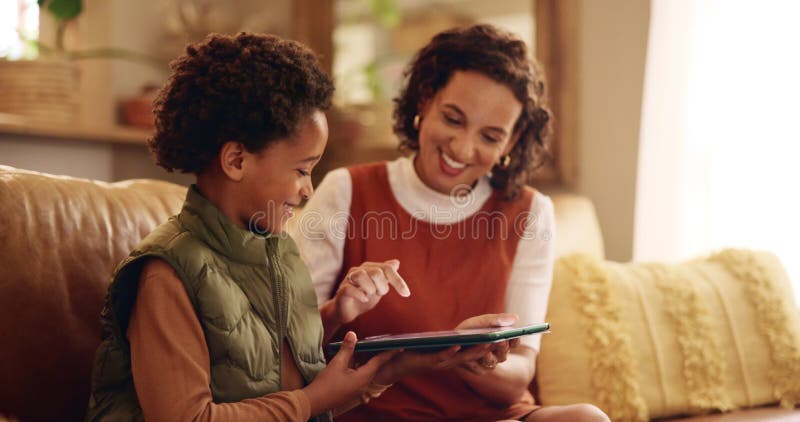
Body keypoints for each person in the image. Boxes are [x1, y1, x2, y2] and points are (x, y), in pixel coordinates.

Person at [84, 32, 484, 422]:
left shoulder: (277, 249)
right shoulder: (166, 274)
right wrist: (312, 400)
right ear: (237, 161)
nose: (308, 188)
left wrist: (338, 316)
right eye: (302, 170)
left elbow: (266, 369)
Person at [291, 24, 611, 421]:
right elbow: (291, 348)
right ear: (425, 100)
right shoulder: (346, 191)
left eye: (491, 136)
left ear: (511, 143)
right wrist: (340, 309)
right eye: (453, 119)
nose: (462, 149)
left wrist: (468, 355)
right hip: (370, 413)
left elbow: (520, 373)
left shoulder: (531, 213)